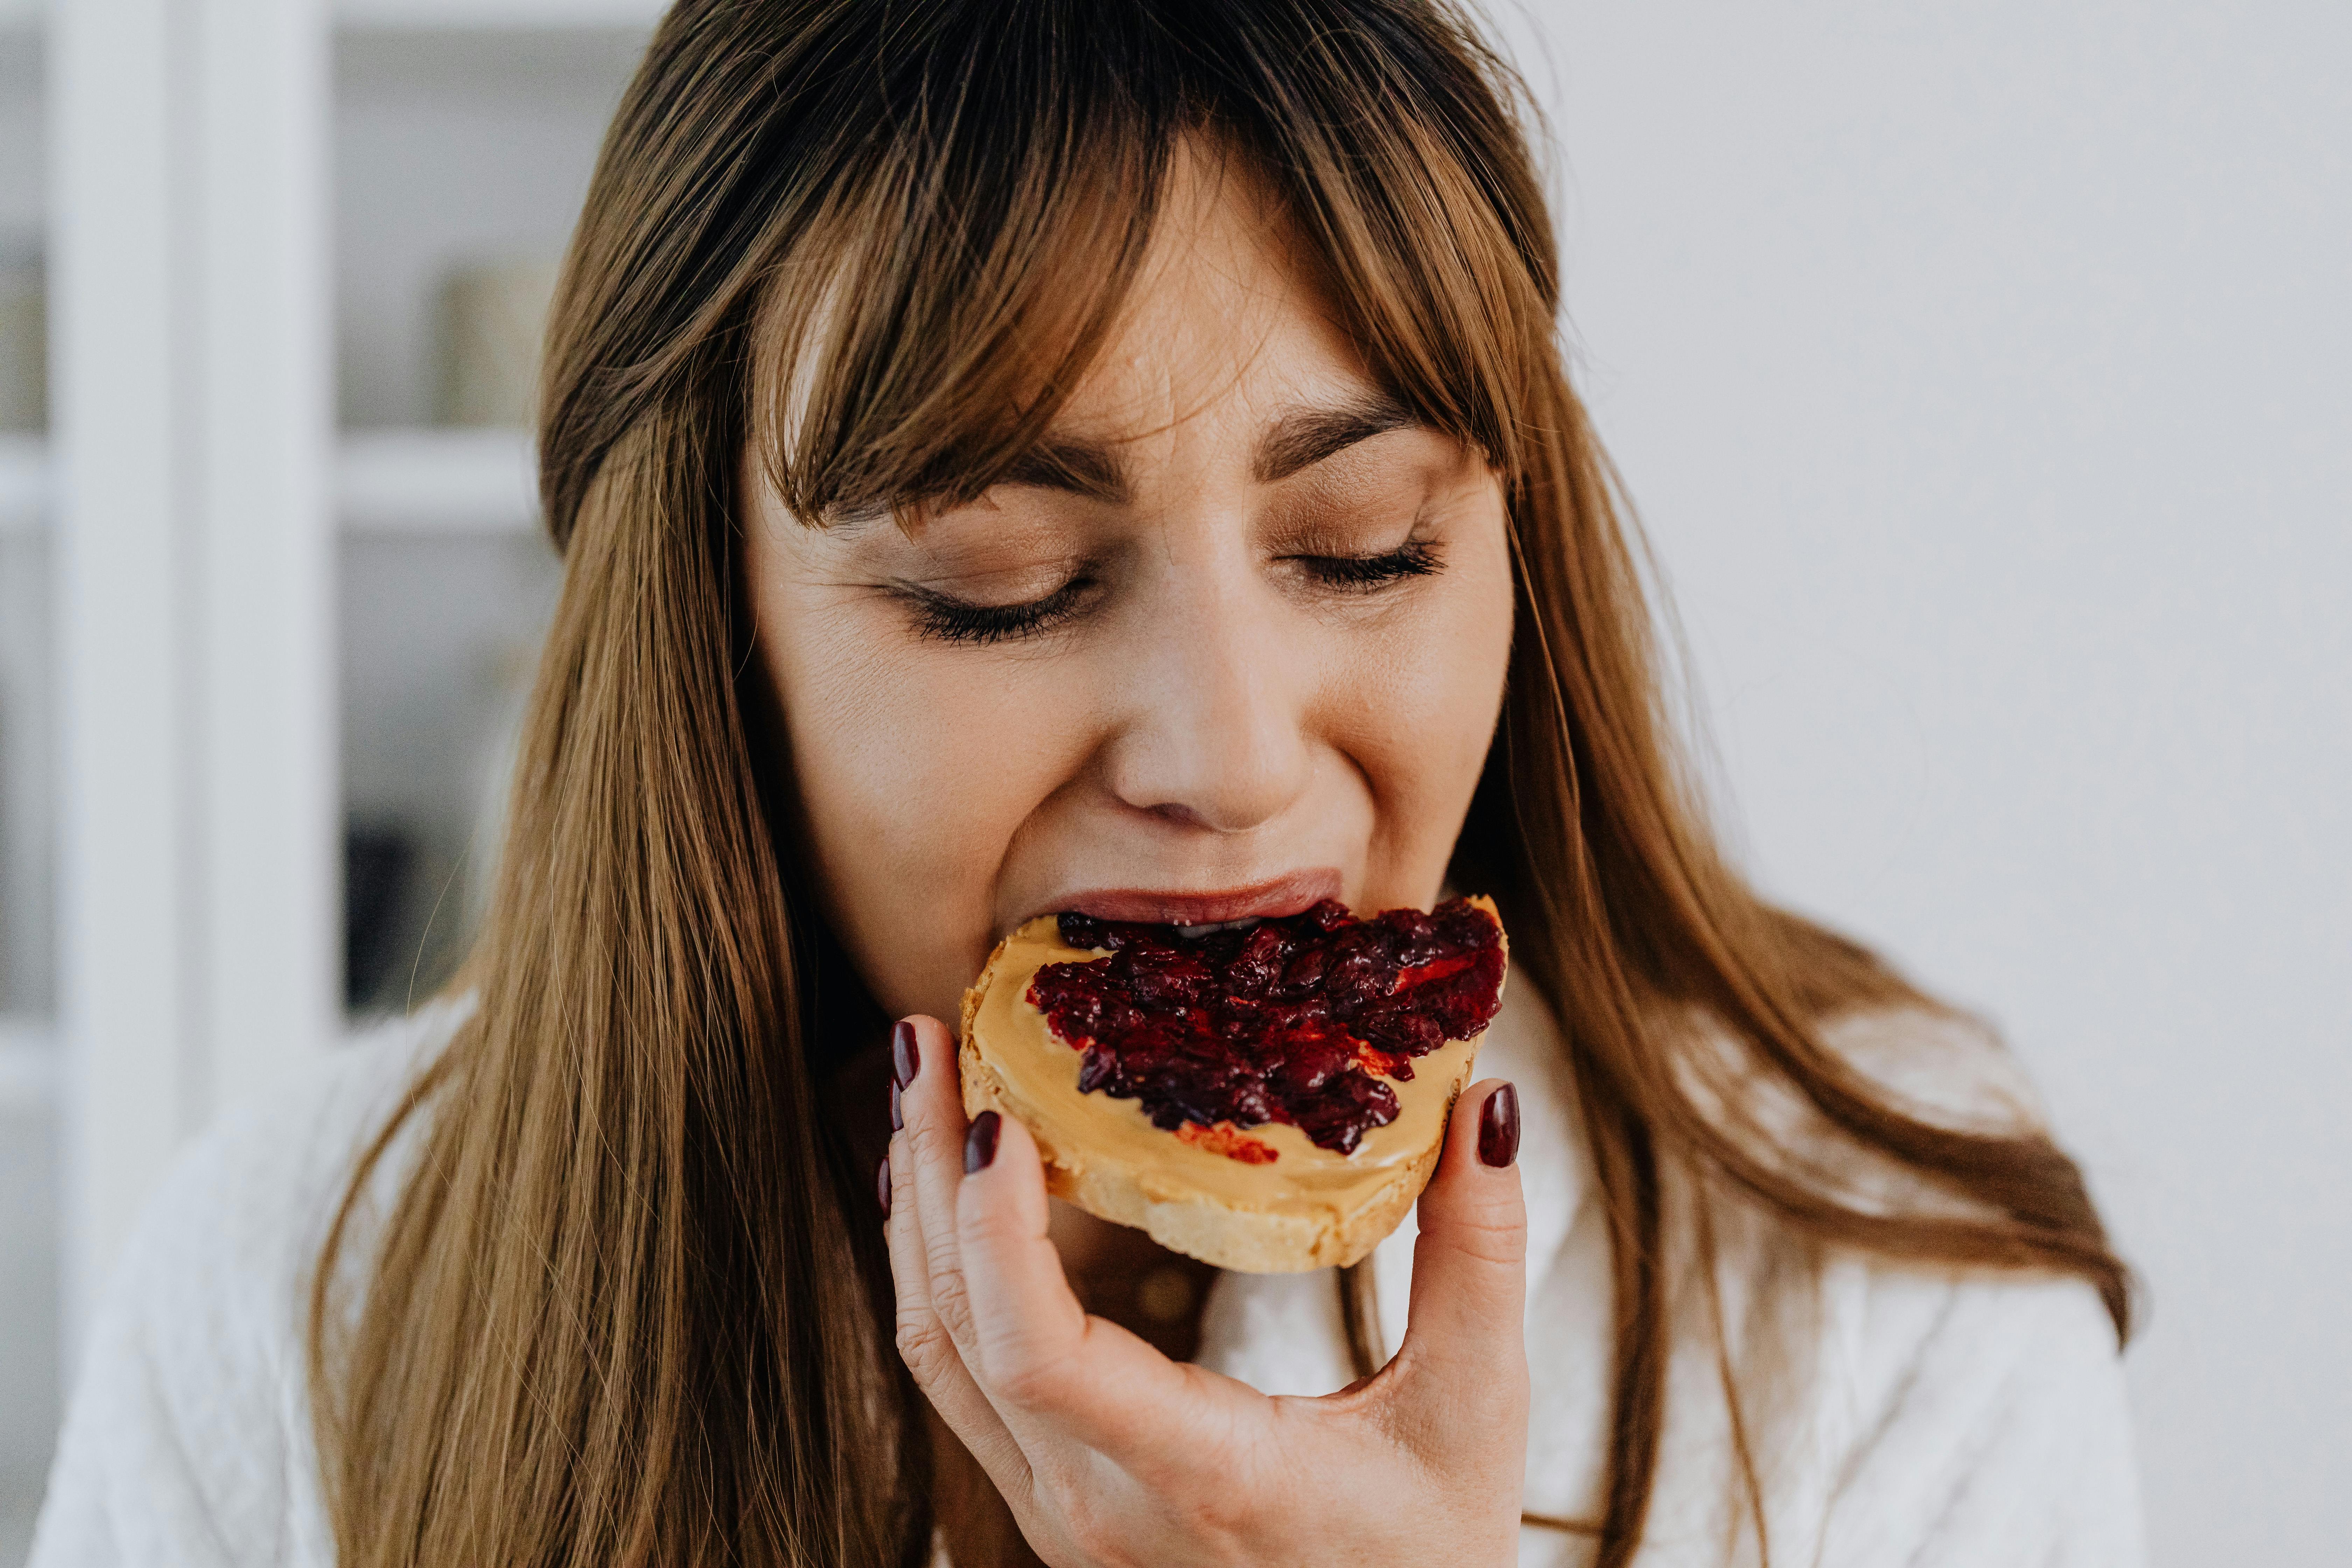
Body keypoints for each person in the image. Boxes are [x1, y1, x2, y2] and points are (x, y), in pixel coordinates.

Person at [31, 2, 2144, 1564]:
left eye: (1367, 549)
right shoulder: (295, 1309)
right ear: (704, 638)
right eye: (1004, 588)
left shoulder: (1874, 1288)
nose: (1232, 759)